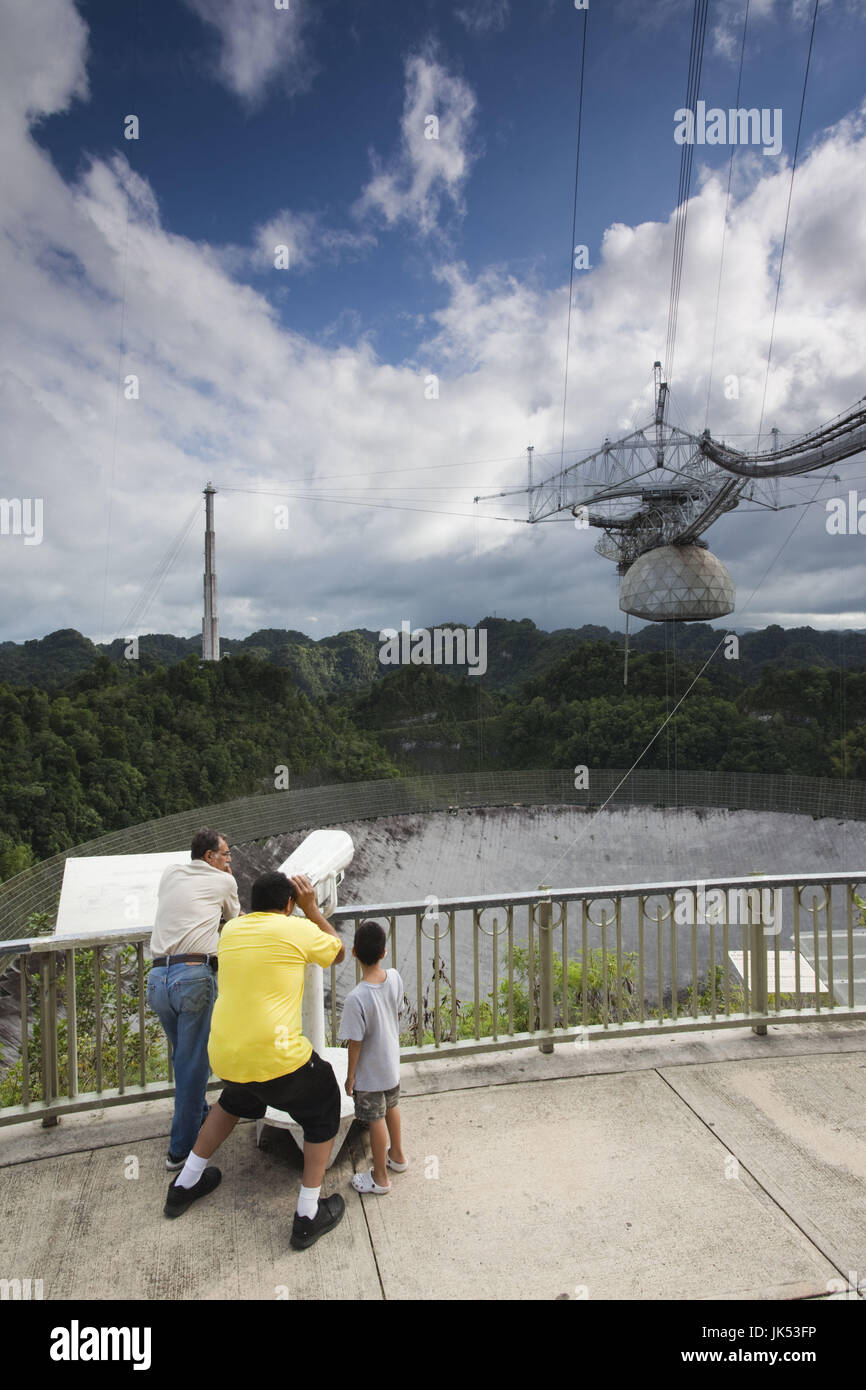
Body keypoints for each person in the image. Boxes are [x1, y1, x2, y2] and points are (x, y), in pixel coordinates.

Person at [163, 870, 347, 1252]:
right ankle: (308, 1214)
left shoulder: (230, 932)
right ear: (288, 905)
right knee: (324, 1098)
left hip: (226, 1055)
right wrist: (313, 911)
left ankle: (184, 1184)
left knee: (238, 1098)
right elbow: (338, 951)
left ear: (251, 904)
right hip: (276, 1055)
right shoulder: (295, 928)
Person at [147, 828, 239, 1171]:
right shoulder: (224, 881)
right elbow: (233, 917)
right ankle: (180, 1152)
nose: (229, 859)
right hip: (193, 977)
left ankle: (199, 1113)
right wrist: (227, 877)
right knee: (193, 1063)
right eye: (225, 854)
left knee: (182, 1058)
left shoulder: (170, 874)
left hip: (158, 979)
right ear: (209, 857)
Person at [338, 919, 407, 1194]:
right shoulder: (395, 978)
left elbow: (355, 1042)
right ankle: (398, 1157)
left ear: (354, 953)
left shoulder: (356, 998)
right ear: (384, 952)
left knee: (375, 1118)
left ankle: (379, 1177)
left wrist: (350, 1076)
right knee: (391, 1108)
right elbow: (397, 1009)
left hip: (369, 1073)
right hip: (390, 1064)